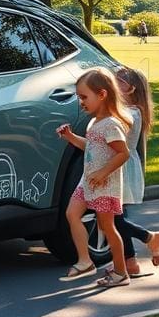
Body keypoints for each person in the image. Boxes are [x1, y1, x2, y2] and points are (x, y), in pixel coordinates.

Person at [56, 67, 133, 287]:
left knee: (108, 228)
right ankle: (85, 261)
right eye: (79, 97)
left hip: (104, 185)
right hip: (88, 181)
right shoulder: (94, 122)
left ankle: (120, 272)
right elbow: (90, 147)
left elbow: (123, 153)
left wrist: (102, 172)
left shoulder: (110, 124)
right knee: (72, 213)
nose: (81, 102)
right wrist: (71, 137)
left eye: (84, 97)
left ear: (102, 94)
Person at [108, 67, 159, 275]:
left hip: (121, 167)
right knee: (116, 215)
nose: (113, 85)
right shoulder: (126, 111)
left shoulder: (131, 113)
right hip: (118, 165)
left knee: (113, 218)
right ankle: (130, 262)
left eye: (118, 82)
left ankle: (150, 238)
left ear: (131, 89)